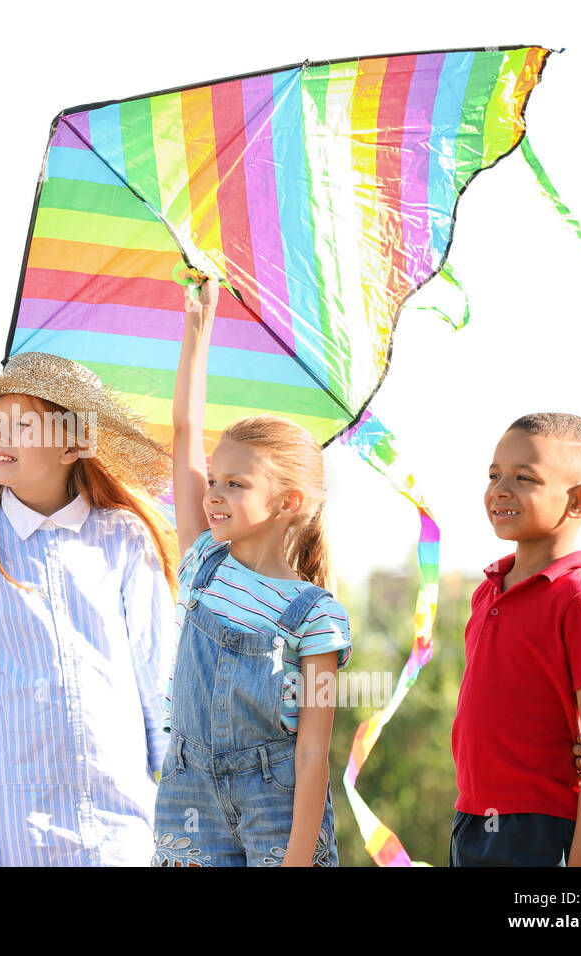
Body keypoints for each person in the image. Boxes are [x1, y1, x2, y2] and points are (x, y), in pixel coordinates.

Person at [0, 351, 178, 866]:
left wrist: (182, 807)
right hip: (13, 826)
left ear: (72, 443)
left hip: (121, 823)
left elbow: (159, 681)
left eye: (22, 423)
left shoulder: (124, 538)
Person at [150, 276, 350, 867]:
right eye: (213, 481)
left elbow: (314, 753)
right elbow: (185, 433)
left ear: (288, 502)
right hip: (186, 788)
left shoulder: (317, 615)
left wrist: (295, 859)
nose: (213, 494)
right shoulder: (202, 562)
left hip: (278, 803)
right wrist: (197, 327)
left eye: (235, 485)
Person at [450, 412, 581, 866]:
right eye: (494, 475)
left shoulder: (580, 598)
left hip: (544, 828)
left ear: (579, 501)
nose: (500, 489)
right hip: (472, 817)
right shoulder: (485, 591)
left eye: (524, 478)